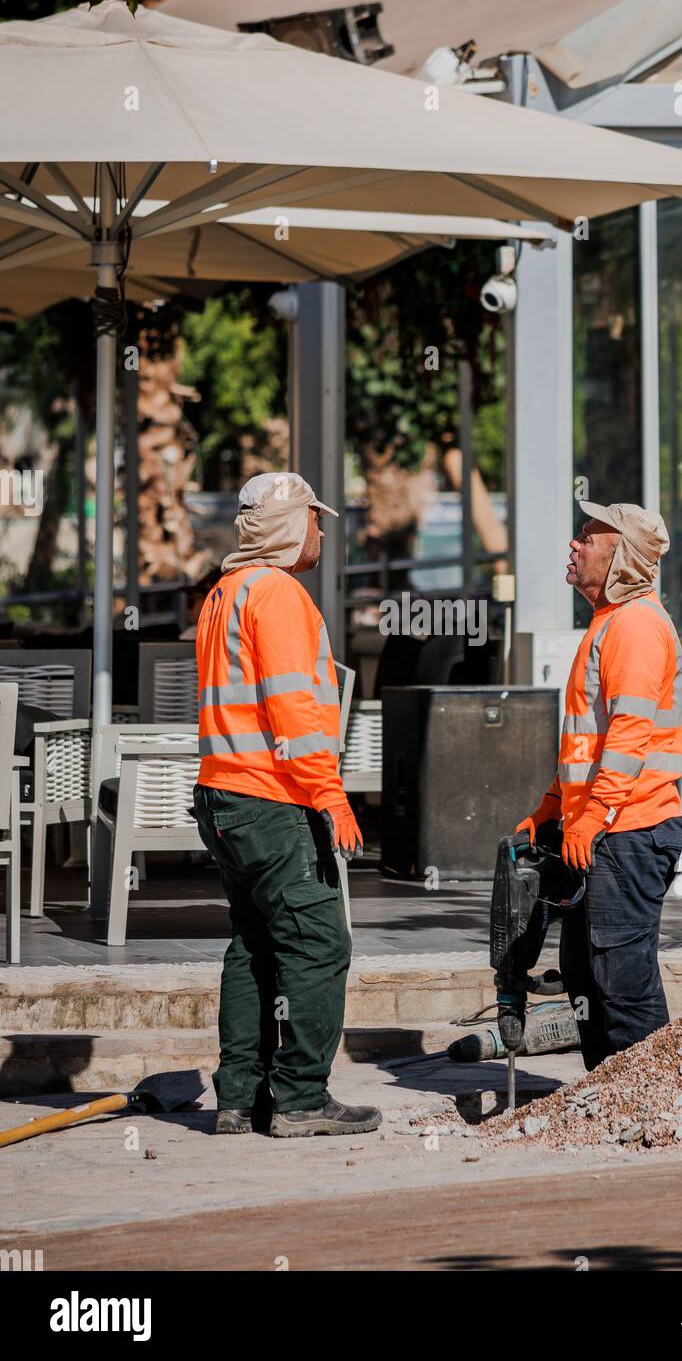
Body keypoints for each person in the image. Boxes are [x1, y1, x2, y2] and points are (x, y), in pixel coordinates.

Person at [193, 471, 381, 1138]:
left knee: (253, 943)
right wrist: (331, 795)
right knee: (320, 943)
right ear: (286, 525)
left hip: (223, 795)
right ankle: (300, 1098)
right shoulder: (277, 595)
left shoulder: (224, 593)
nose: (322, 532)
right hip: (272, 799)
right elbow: (294, 711)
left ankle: (239, 1098)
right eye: (314, 519)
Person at [516, 501, 682, 1070]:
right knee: (587, 972)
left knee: (623, 980)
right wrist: (551, 808)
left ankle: (652, 1103)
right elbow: (588, 741)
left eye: (589, 537)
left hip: (629, 830)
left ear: (622, 557)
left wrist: (594, 815)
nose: (575, 543)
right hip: (605, 828)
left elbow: (630, 733)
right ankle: (607, 1095)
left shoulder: (636, 625)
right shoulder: (609, 623)